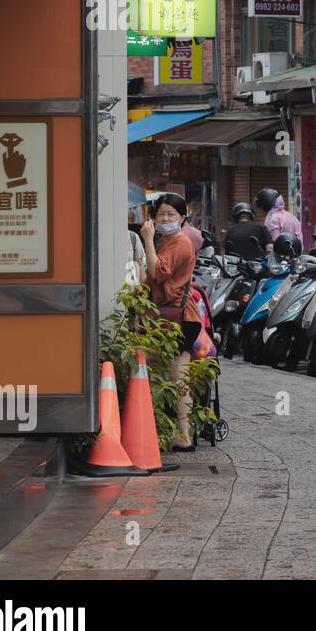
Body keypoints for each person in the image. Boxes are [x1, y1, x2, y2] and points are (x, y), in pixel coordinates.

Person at [140, 193, 201, 450]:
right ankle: (169, 430)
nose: (165, 218)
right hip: (166, 316)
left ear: (183, 218)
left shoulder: (179, 242)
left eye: (171, 214)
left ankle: (184, 434)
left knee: (178, 376)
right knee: (162, 374)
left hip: (180, 317)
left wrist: (146, 240)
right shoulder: (166, 241)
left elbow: (157, 272)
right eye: (161, 214)